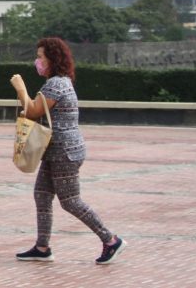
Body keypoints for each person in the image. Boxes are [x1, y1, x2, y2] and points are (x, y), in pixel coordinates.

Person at [10, 37, 126, 265]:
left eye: (41, 57)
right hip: (55, 151)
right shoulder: (60, 82)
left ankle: (110, 239)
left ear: (53, 59)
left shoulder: (56, 84)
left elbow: (33, 111)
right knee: (42, 195)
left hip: (64, 151)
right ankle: (42, 247)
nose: (38, 61)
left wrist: (21, 89)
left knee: (70, 200)